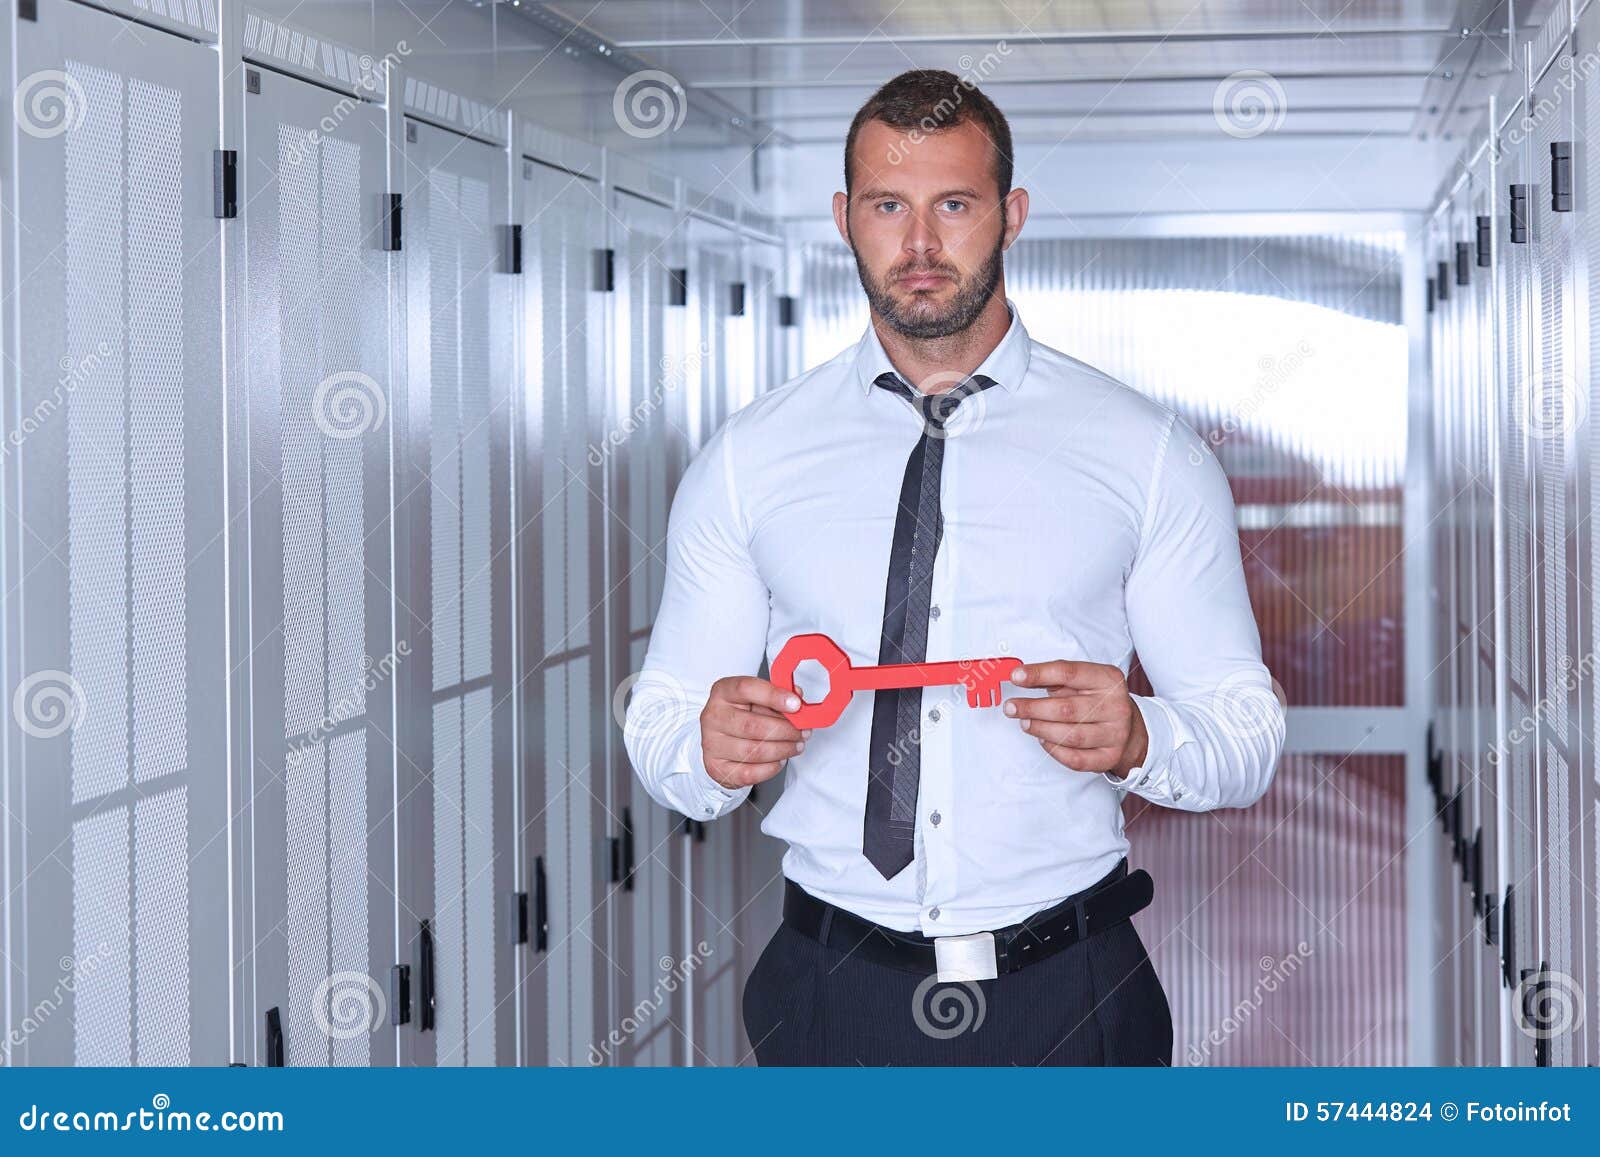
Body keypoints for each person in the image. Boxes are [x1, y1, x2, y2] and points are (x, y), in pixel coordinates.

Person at [624, 68, 1284, 1066]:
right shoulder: (748, 459)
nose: (921, 244)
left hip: (1071, 997)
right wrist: (704, 750)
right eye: (889, 206)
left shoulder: (1146, 454)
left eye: (956, 205)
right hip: (828, 995)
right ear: (845, 218)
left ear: (1010, 215)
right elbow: (662, 718)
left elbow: (1245, 729)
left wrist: (1140, 734)